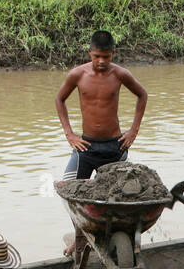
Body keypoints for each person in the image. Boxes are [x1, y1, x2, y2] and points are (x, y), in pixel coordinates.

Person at [54, 30, 148, 254]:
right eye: (97, 56)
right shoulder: (77, 74)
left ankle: (124, 241)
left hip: (115, 147)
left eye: (106, 56)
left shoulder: (121, 74)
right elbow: (59, 99)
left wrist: (133, 131)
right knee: (71, 192)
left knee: (125, 196)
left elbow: (142, 95)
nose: (102, 61)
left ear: (113, 54)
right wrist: (70, 134)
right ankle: (80, 239)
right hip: (85, 147)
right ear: (90, 53)